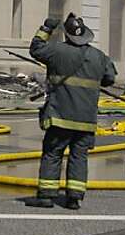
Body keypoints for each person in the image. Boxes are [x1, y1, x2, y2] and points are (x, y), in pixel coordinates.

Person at [26, 13, 116, 210]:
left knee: (53, 153)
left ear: (67, 35)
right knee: (79, 156)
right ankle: (74, 198)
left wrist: (47, 28)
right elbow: (110, 78)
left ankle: (46, 196)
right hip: (86, 119)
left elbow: (36, 49)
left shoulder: (57, 51)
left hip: (60, 116)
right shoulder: (99, 57)